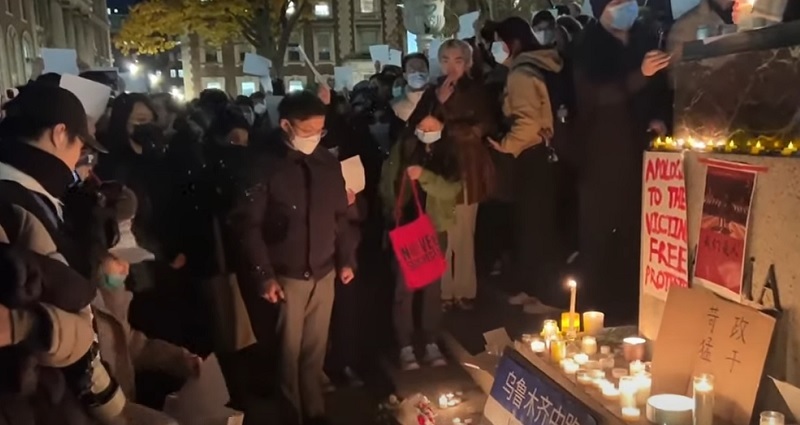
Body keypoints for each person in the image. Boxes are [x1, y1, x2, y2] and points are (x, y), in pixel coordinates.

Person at [0, 84, 127, 424]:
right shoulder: (17, 201)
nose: (79, 159)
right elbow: (67, 298)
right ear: (59, 134)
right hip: (44, 395)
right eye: (80, 145)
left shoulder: (42, 194)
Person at [230, 91, 355, 425]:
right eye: (308, 130)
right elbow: (249, 225)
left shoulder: (327, 161)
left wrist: (347, 259)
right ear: (286, 124)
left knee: (315, 351)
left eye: (320, 131)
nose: (314, 137)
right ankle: (292, 416)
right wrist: (264, 274)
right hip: (286, 275)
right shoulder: (263, 165)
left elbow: (341, 215)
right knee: (286, 354)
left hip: (324, 270)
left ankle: (315, 412)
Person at [572, 0, 670, 324]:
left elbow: (662, 90)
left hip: (643, 156)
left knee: (636, 239)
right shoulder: (588, 44)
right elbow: (597, 95)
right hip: (601, 157)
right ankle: (593, 318)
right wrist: (640, 75)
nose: (625, 6)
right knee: (598, 240)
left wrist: (660, 117)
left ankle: (632, 316)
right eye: (616, 2)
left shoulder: (646, 37)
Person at [408, 39, 497, 310]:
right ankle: (443, 291)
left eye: (458, 60)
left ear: (468, 63)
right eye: (445, 59)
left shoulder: (478, 90)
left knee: (464, 233)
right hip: (442, 170)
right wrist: (438, 103)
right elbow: (418, 126)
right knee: (442, 232)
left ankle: (465, 290)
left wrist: (452, 126)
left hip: (470, 168)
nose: (451, 66)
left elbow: (485, 124)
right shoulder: (432, 92)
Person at [488, 16, 565, 310]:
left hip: (531, 155)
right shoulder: (543, 63)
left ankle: (547, 295)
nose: (495, 48)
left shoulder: (521, 73)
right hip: (544, 154)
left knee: (536, 227)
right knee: (535, 225)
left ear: (514, 42)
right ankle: (533, 287)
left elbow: (528, 122)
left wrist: (505, 144)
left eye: (499, 42)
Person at [380, 105, 461, 370]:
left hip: (434, 229)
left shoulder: (449, 152)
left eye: (432, 128)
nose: (426, 132)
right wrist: (393, 212)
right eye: (422, 127)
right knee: (404, 288)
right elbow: (387, 182)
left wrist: (424, 176)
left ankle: (430, 341)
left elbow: (451, 189)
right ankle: (404, 345)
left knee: (432, 289)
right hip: (407, 227)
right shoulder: (404, 149)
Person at [389, 53, 430, 140]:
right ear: (405, 75)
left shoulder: (440, 100)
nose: (417, 72)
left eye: (421, 68)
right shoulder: (394, 107)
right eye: (412, 69)